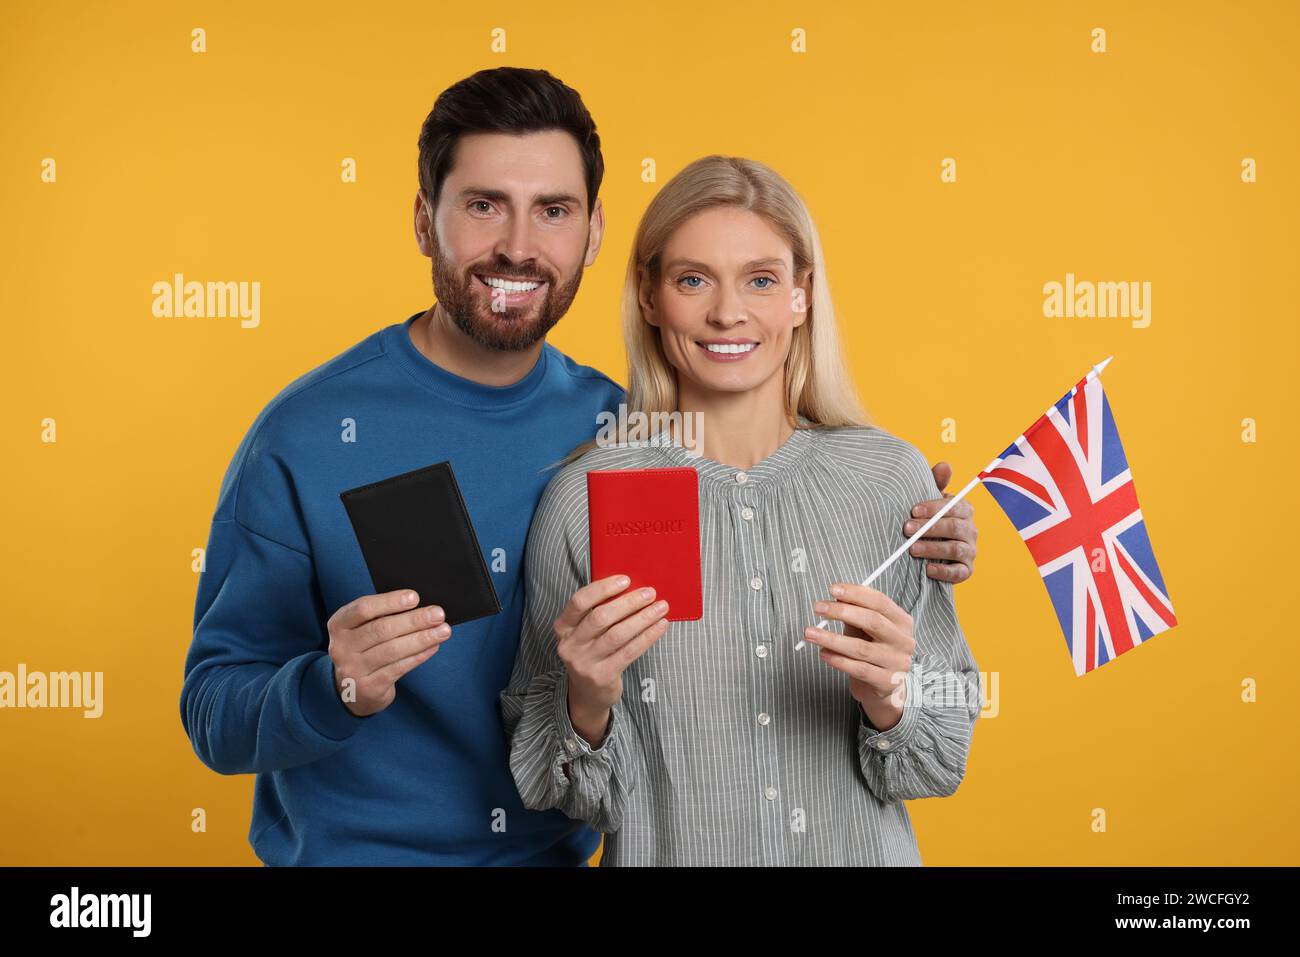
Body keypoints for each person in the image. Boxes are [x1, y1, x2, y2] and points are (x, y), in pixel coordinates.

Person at [180, 67, 979, 866]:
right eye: (483, 205)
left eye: (553, 211)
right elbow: (214, 709)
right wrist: (334, 685)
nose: (518, 247)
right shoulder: (311, 434)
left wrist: (904, 515)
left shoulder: (618, 434)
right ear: (426, 220)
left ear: (593, 232)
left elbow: (760, 484)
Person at [501, 155, 983, 865]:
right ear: (649, 296)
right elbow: (559, 787)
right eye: (693, 280)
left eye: (761, 279)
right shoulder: (587, 493)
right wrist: (586, 700)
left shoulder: (892, 477)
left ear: (801, 295)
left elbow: (938, 760)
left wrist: (892, 696)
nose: (728, 312)